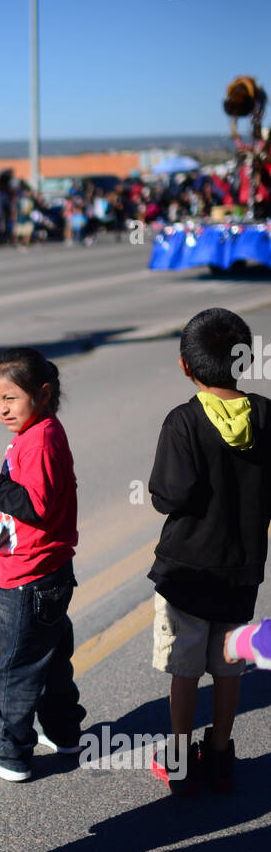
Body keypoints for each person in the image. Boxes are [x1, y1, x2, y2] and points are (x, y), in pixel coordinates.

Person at [147, 309, 271, 795]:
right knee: (228, 666)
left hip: (187, 575)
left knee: (184, 670)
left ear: (185, 366)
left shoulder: (183, 422)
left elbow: (167, 496)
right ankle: (220, 753)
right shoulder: (266, 414)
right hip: (241, 570)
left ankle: (179, 759)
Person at [0, 348, 85, 781]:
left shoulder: (38, 440)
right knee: (52, 657)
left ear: (42, 394)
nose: (2, 410)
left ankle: (10, 751)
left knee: (16, 666)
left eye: (11, 399)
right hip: (45, 571)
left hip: (30, 579)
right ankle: (64, 732)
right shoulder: (38, 432)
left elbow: (31, 507)